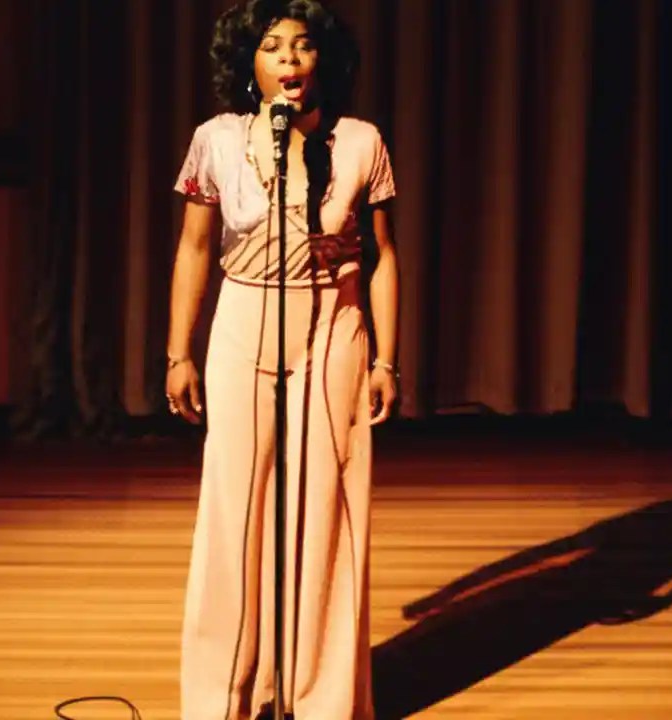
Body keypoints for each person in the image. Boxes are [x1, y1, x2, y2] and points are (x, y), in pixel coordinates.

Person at [165, 0, 398, 717]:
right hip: (244, 319)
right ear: (249, 62)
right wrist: (180, 353)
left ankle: (319, 700)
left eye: (303, 46)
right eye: (273, 47)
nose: (291, 61)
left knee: (324, 515)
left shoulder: (360, 142)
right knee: (235, 511)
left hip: (332, 324)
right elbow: (195, 250)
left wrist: (387, 361)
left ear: (322, 57)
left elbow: (383, 257)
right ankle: (223, 696)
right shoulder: (217, 140)